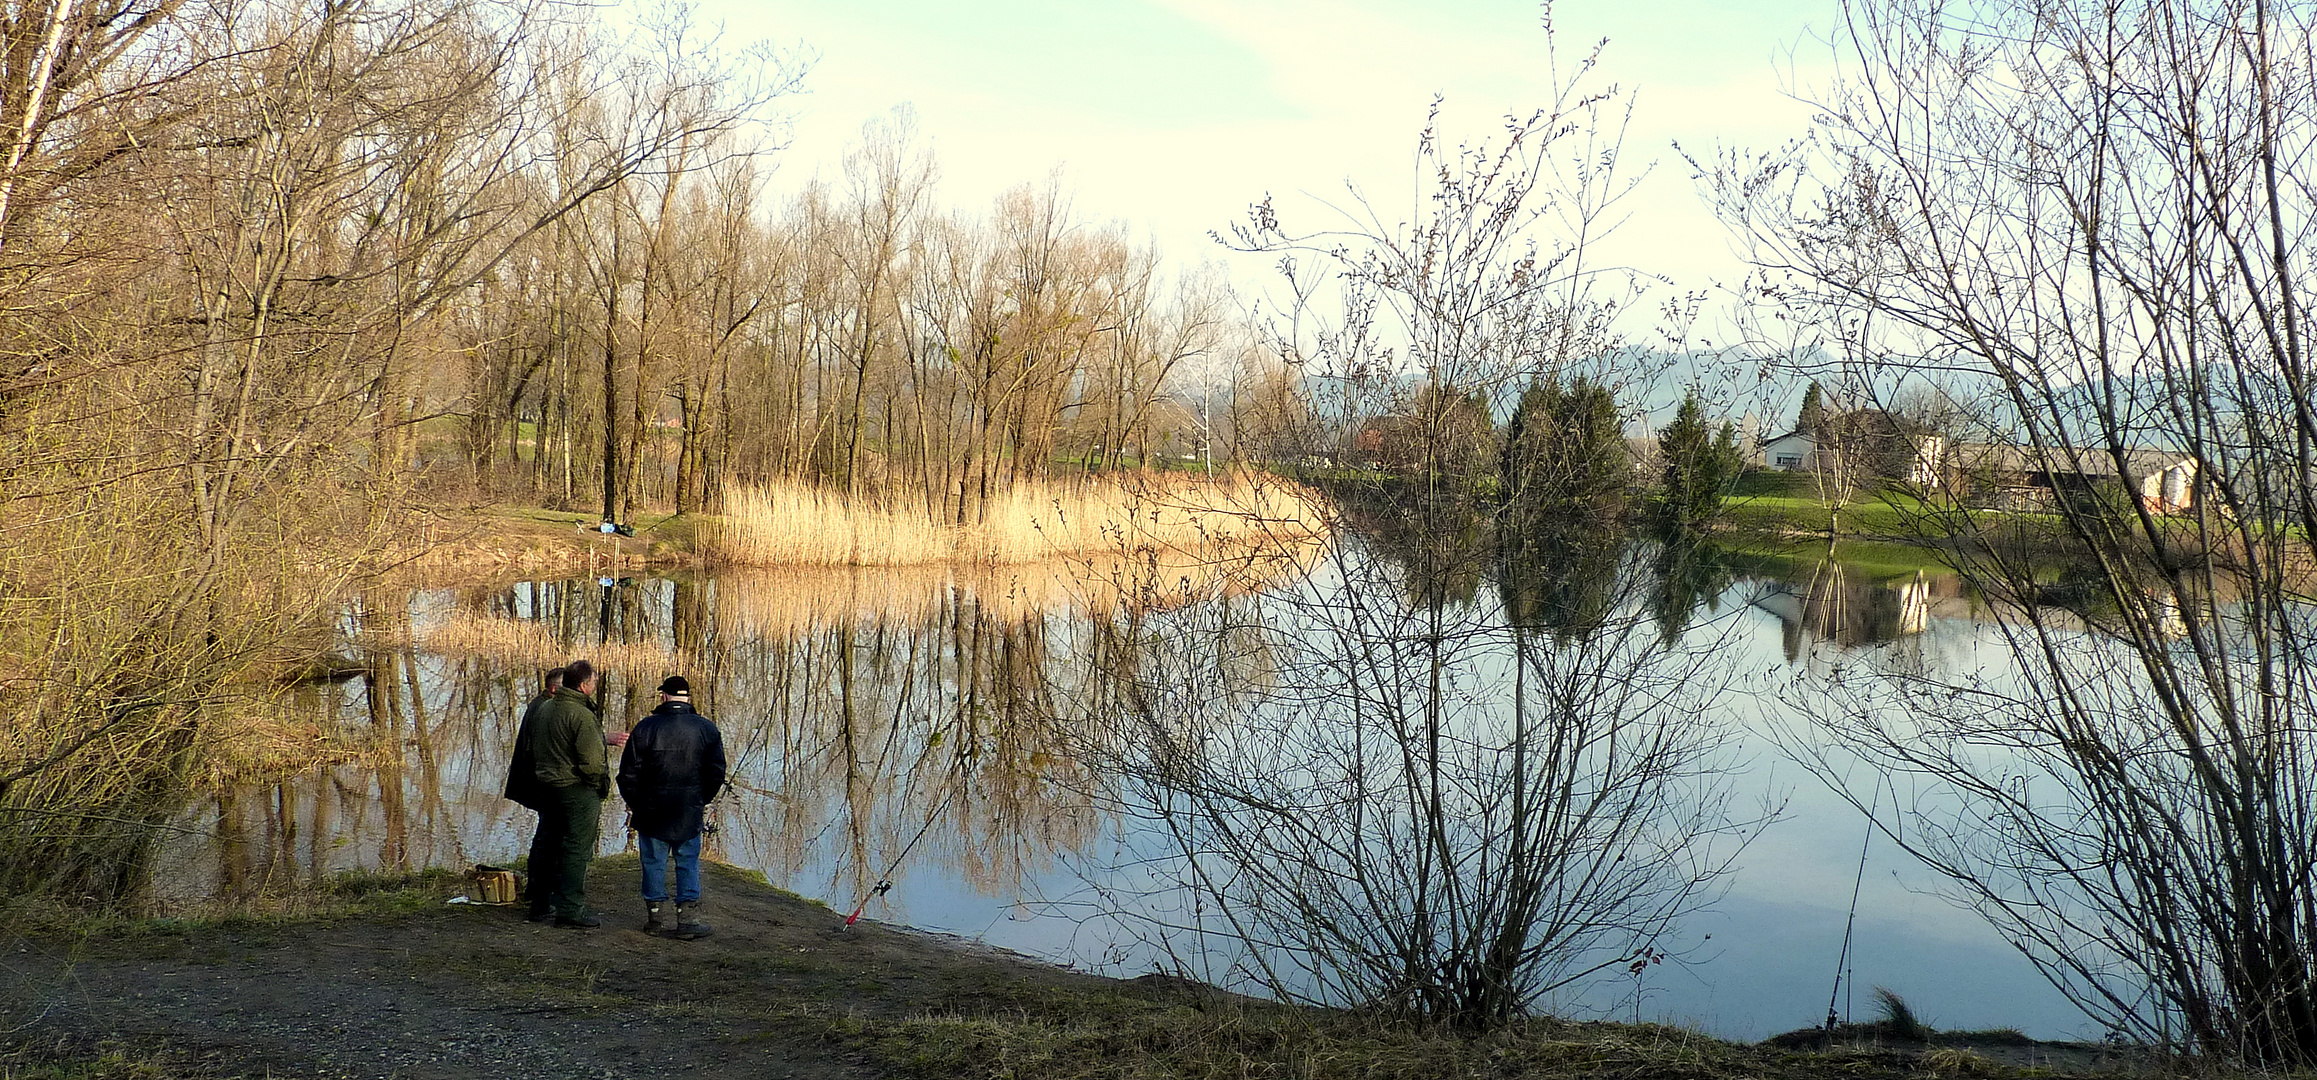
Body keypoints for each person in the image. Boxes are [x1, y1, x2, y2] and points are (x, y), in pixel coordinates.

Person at [616, 674, 726, 939]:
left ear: (663, 696)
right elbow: (716, 772)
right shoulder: (707, 729)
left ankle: (654, 919)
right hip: (688, 808)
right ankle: (687, 920)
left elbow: (627, 774)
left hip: (651, 809)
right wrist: (701, 799)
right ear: (688, 698)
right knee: (687, 861)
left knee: (653, 861)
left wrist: (636, 804)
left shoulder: (645, 728)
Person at [511, 659, 615, 929]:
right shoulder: (580, 715)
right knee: (576, 849)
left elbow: (532, 749)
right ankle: (569, 909)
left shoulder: (543, 708)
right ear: (583, 686)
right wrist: (598, 784)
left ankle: (539, 902)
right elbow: (592, 763)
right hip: (575, 790)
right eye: (593, 681)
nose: (595, 685)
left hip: (547, 788)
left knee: (547, 844)